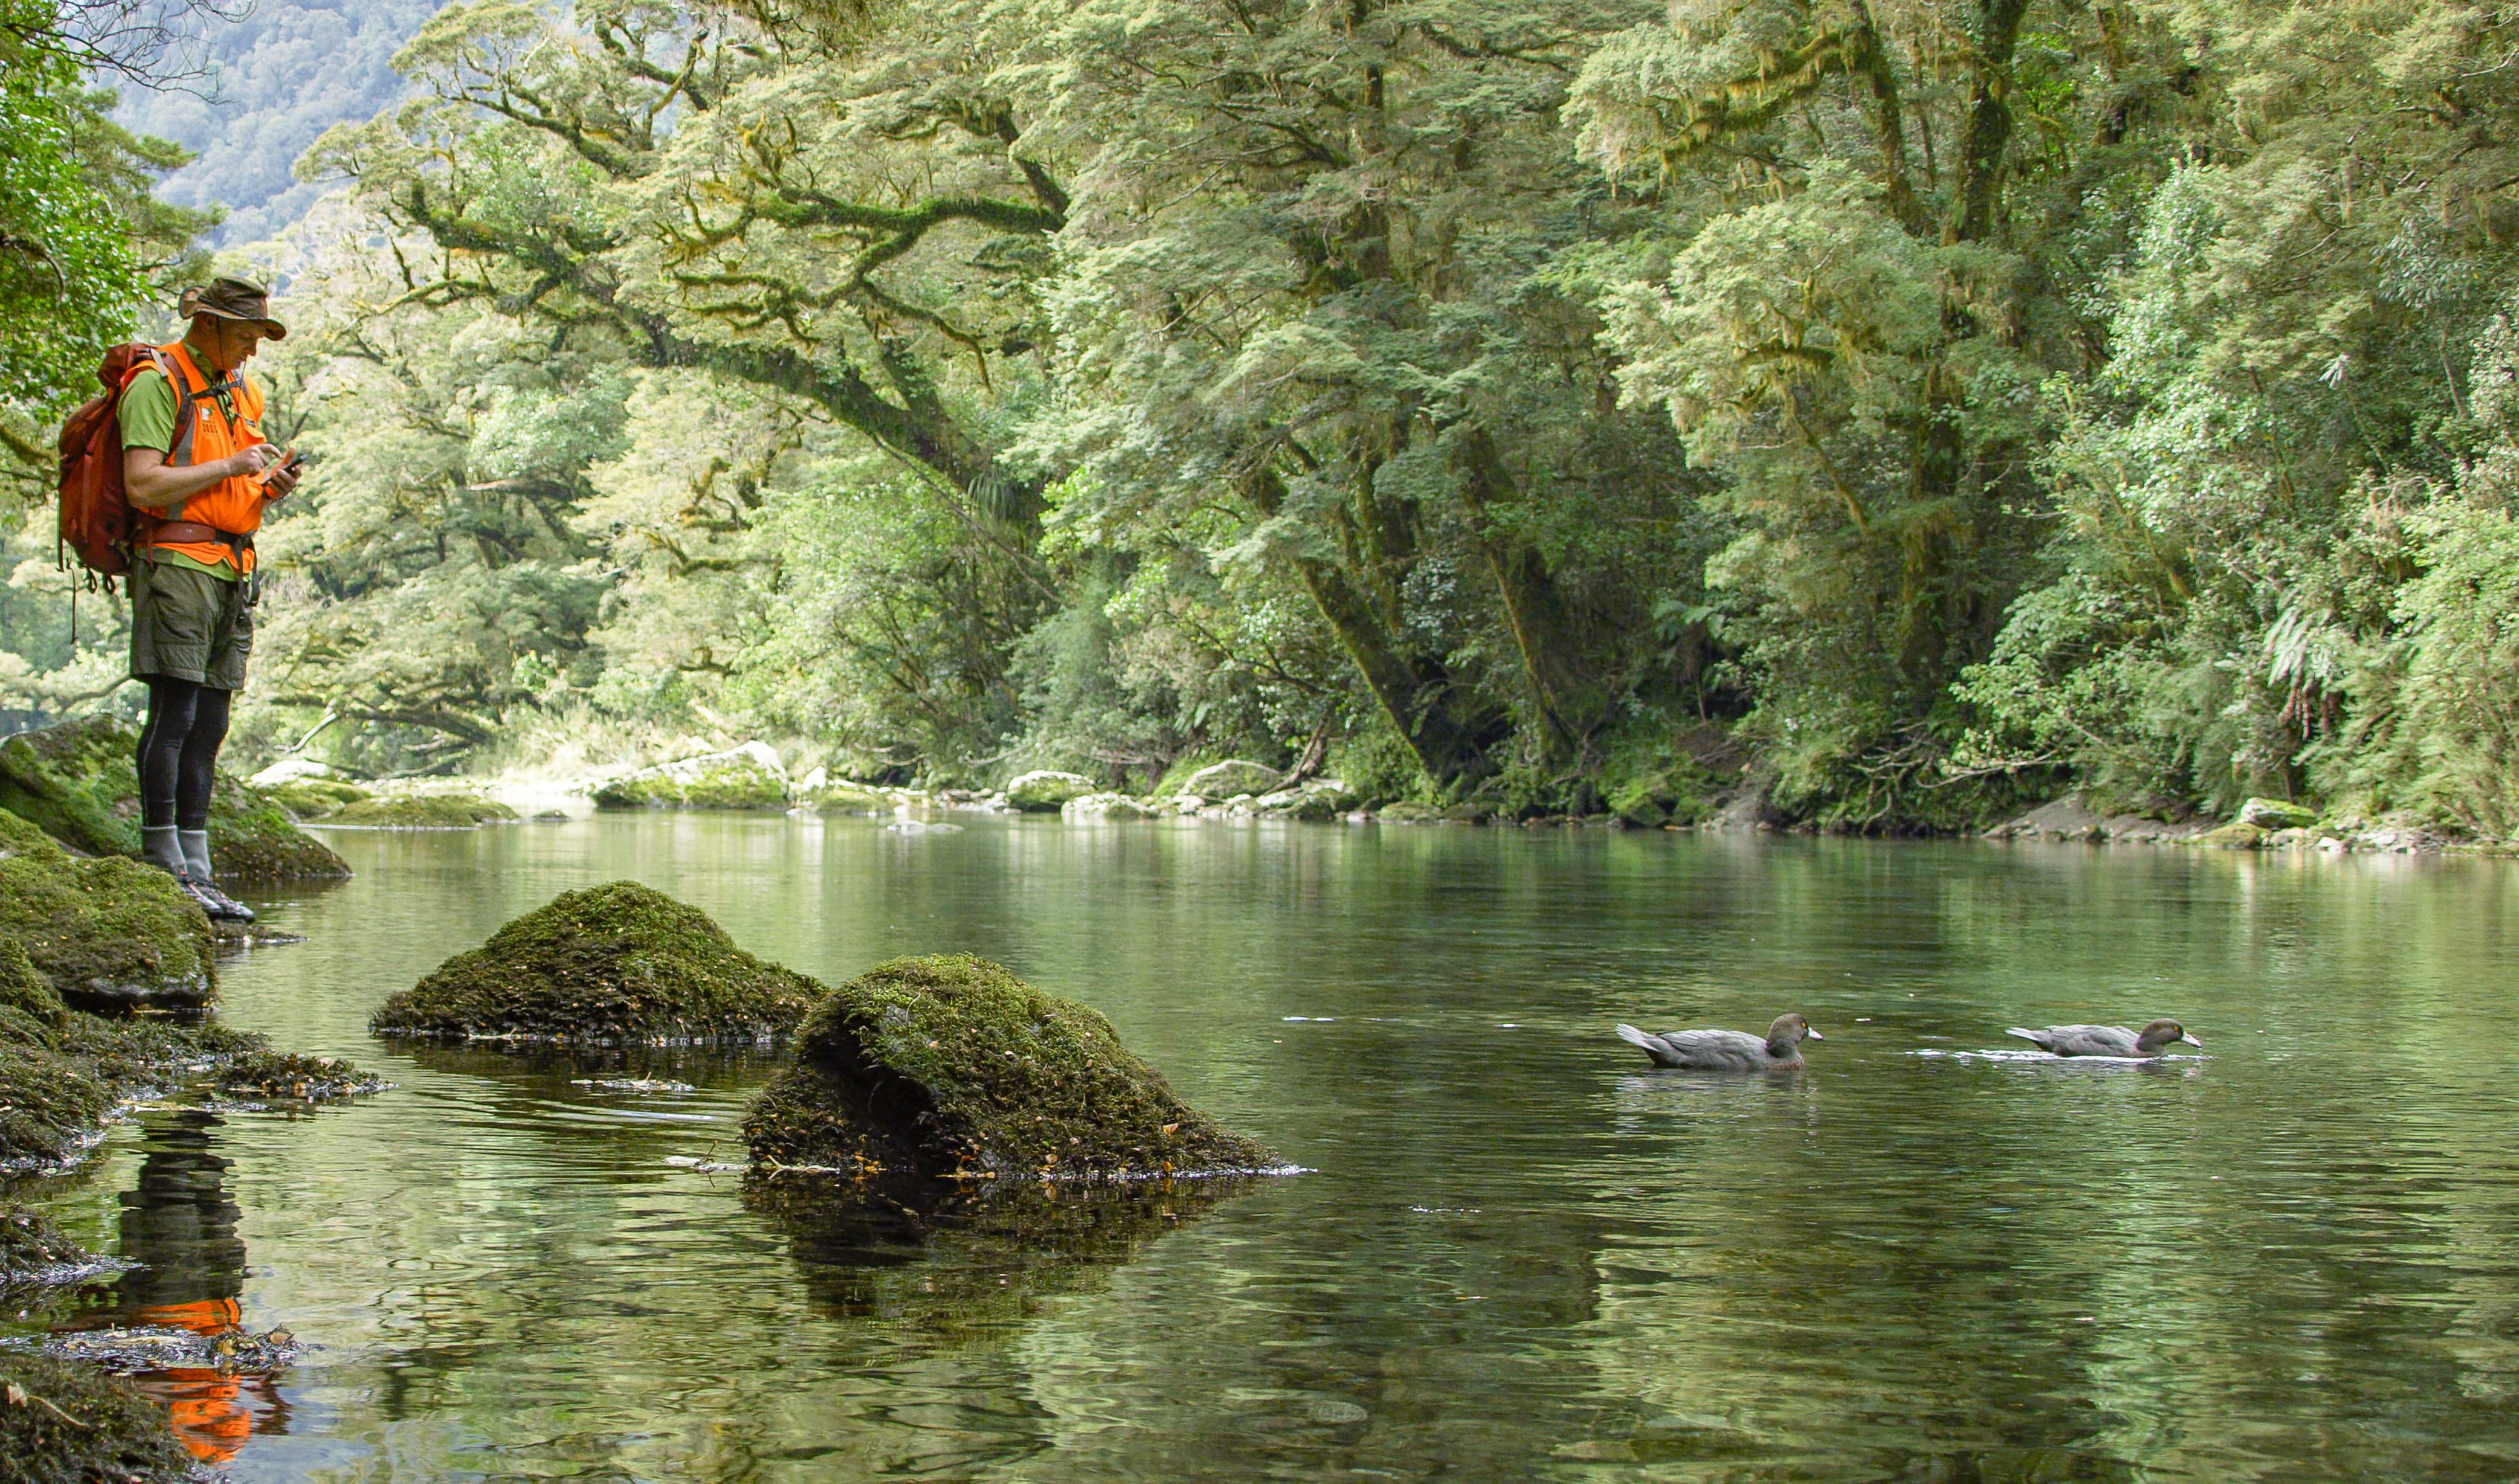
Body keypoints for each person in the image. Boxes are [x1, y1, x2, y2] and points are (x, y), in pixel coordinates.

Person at [119, 276, 302, 922]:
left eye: (258, 337)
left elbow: (235, 484)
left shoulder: (240, 390)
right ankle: (163, 863)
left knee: (212, 723)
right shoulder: (157, 382)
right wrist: (230, 469)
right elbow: (143, 484)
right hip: (175, 562)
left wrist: (267, 486)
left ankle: (200, 869)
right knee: (175, 715)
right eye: (246, 335)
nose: (252, 350)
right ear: (210, 325)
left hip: (231, 566)